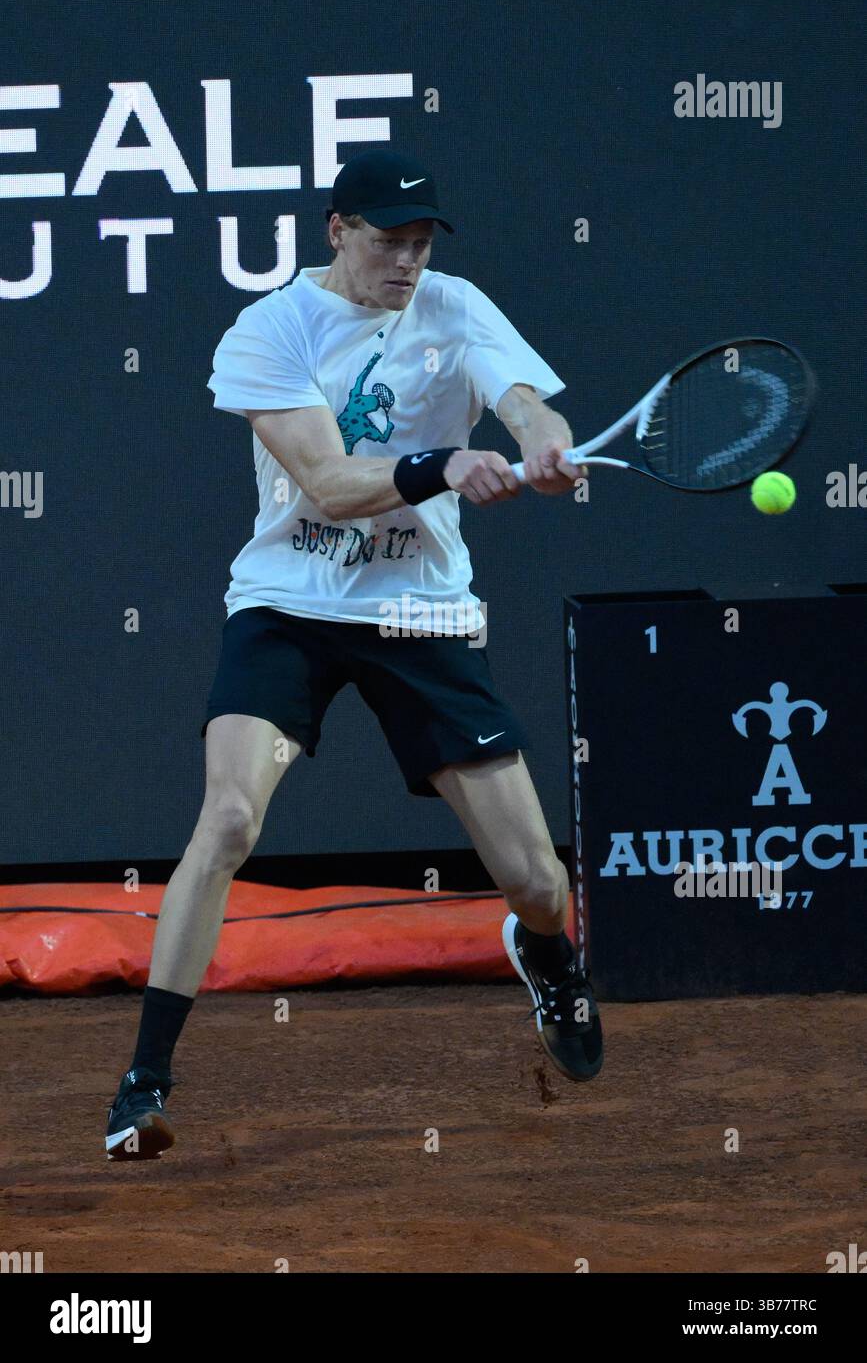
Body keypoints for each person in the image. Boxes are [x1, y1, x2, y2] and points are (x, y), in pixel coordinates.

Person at [104, 148, 603, 1160]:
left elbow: (524, 404)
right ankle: (145, 1078)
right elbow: (329, 484)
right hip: (288, 602)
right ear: (337, 230)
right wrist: (444, 464)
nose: (407, 262)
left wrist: (544, 445)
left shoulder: (456, 307)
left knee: (540, 882)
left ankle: (546, 956)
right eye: (388, 242)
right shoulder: (270, 328)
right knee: (231, 813)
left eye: (421, 243)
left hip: (421, 612)